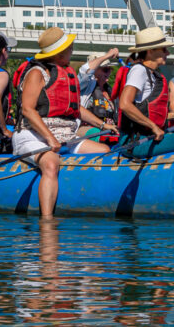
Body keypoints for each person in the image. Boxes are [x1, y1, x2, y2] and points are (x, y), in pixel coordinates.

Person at [12, 27, 116, 219]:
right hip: (32, 136)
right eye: (69, 47)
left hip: (65, 137)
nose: (72, 49)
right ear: (60, 52)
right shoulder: (37, 73)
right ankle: (47, 221)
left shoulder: (67, 73)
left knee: (103, 151)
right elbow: (27, 109)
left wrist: (102, 125)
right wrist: (49, 138)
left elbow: (76, 108)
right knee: (51, 163)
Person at [115, 27, 174, 157]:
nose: (168, 53)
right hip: (136, 143)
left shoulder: (153, 75)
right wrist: (153, 126)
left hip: (146, 138)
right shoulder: (139, 70)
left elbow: (148, 111)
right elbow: (125, 104)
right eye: (164, 50)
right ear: (150, 51)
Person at [78, 49, 120, 135]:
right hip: (88, 129)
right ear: (95, 69)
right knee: (101, 136)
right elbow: (85, 71)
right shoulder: (84, 85)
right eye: (105, 69)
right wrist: (107, 56)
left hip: (110, 130)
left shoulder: (109, 90)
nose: (109, 72)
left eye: (110, 69)